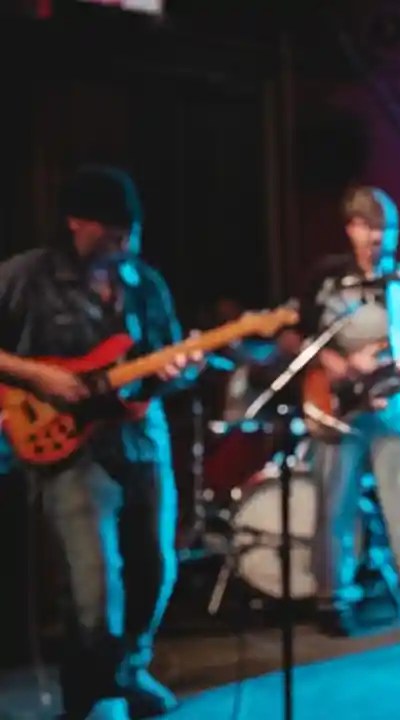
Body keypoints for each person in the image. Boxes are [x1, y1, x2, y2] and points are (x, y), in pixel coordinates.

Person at [0, 166, 202, 720]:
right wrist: (36, 377)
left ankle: (130, 669)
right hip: (69, 450)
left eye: (130, 232)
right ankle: (95, 699)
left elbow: (163, 365)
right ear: (76, 223)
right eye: (113, 231)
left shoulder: (145, 284)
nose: (124, 243)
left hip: (140, 437)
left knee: (157, 567)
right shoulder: (26, 276)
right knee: (94, 583)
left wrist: (181, 370)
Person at [302, 185, 400, 643]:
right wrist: (341, 366)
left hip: (396, 402)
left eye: (387, 229)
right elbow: (297, 338)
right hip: (339, 402)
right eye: (368, 228)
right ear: (351, 229)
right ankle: (333, 598)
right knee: (334, 503)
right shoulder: (326, 281)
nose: (378, 239)